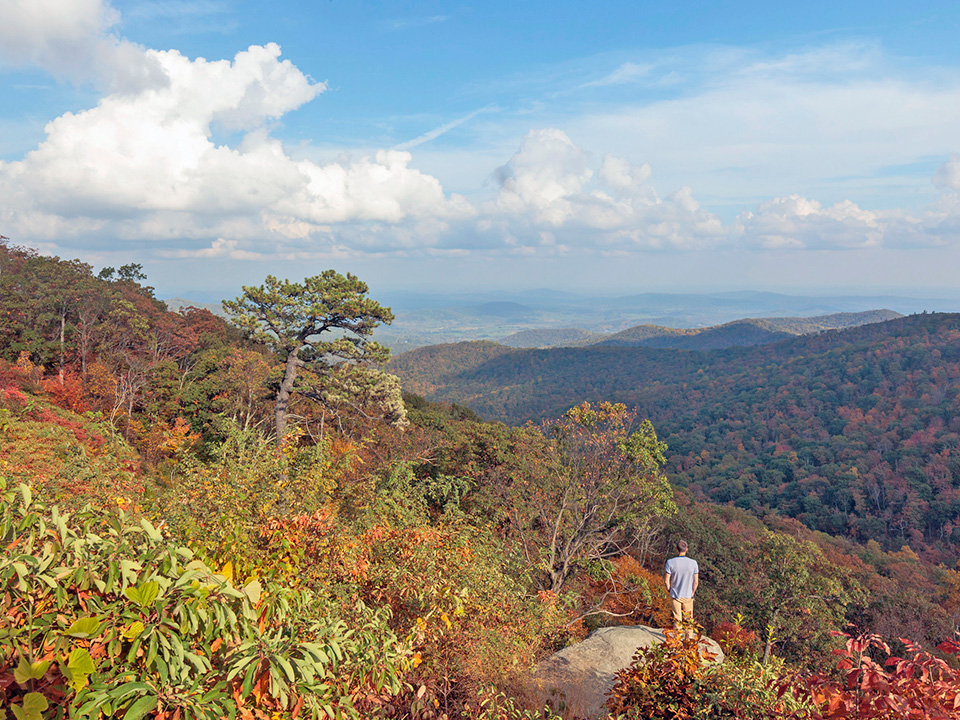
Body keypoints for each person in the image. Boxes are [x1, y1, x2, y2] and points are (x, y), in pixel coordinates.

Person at [664, 540, 699, 636]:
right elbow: (696, 582)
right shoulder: (693, 563)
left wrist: (669, 590)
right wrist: (692, 593)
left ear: (676, 549)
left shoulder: (670, 562)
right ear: (686, 549)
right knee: (689, 619)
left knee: (677, 618)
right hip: (688, 595)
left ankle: (677, 641)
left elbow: (666, 581)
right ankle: (688, 641)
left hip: (675, 594)